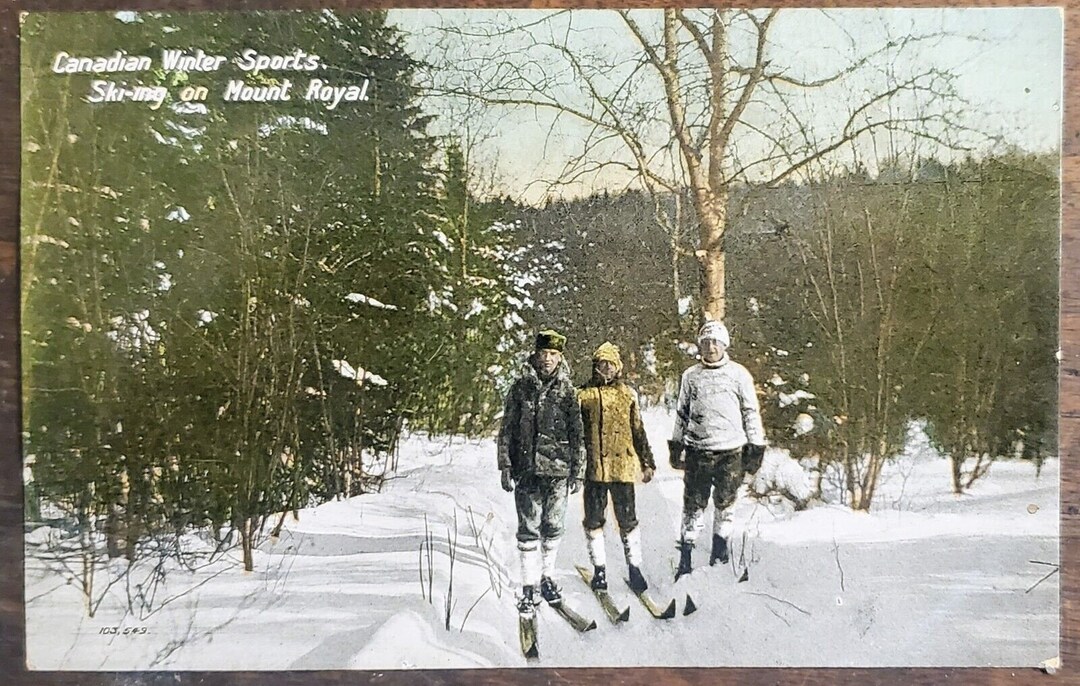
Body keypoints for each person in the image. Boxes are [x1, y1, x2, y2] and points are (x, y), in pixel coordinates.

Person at [669, 320, 767, 580]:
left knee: (726, 503)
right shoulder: (691, 376)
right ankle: (686, 559)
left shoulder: (739, 375)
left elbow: (751, 412)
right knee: (693, 505)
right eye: (706, 342)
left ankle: (719, 555)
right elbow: (682, 412)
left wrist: (756, 447)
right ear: (700, 346)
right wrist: (676, 444)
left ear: (724, 344)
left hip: (730, 452)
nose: (711, 347)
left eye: (715, 342)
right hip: (697, 451)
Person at [498, 329, 586, 613]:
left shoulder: (568, 392)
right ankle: (528, 585)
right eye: (543, 354)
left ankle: (547, 577)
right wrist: (505, 465)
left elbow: (578, 434)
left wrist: (579, 470)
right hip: (526, 470)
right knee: (528, 528)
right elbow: (507, 430)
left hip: (559, 471)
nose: (547, 359)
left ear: (560, 357)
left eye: (553, 354)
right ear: (534, 355)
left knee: (553, 526)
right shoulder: (520, 388)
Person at [577, 342, 656, 594]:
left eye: (610, 365)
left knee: (628, 520)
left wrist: (647, 461)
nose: (606, 369)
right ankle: (599, 570)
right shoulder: (583, 395)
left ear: (618, 367)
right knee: (593, 519)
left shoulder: (627, 394)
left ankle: (635, 568)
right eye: (601, 364)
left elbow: (638, 430)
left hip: (622, 468)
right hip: (594, 470)